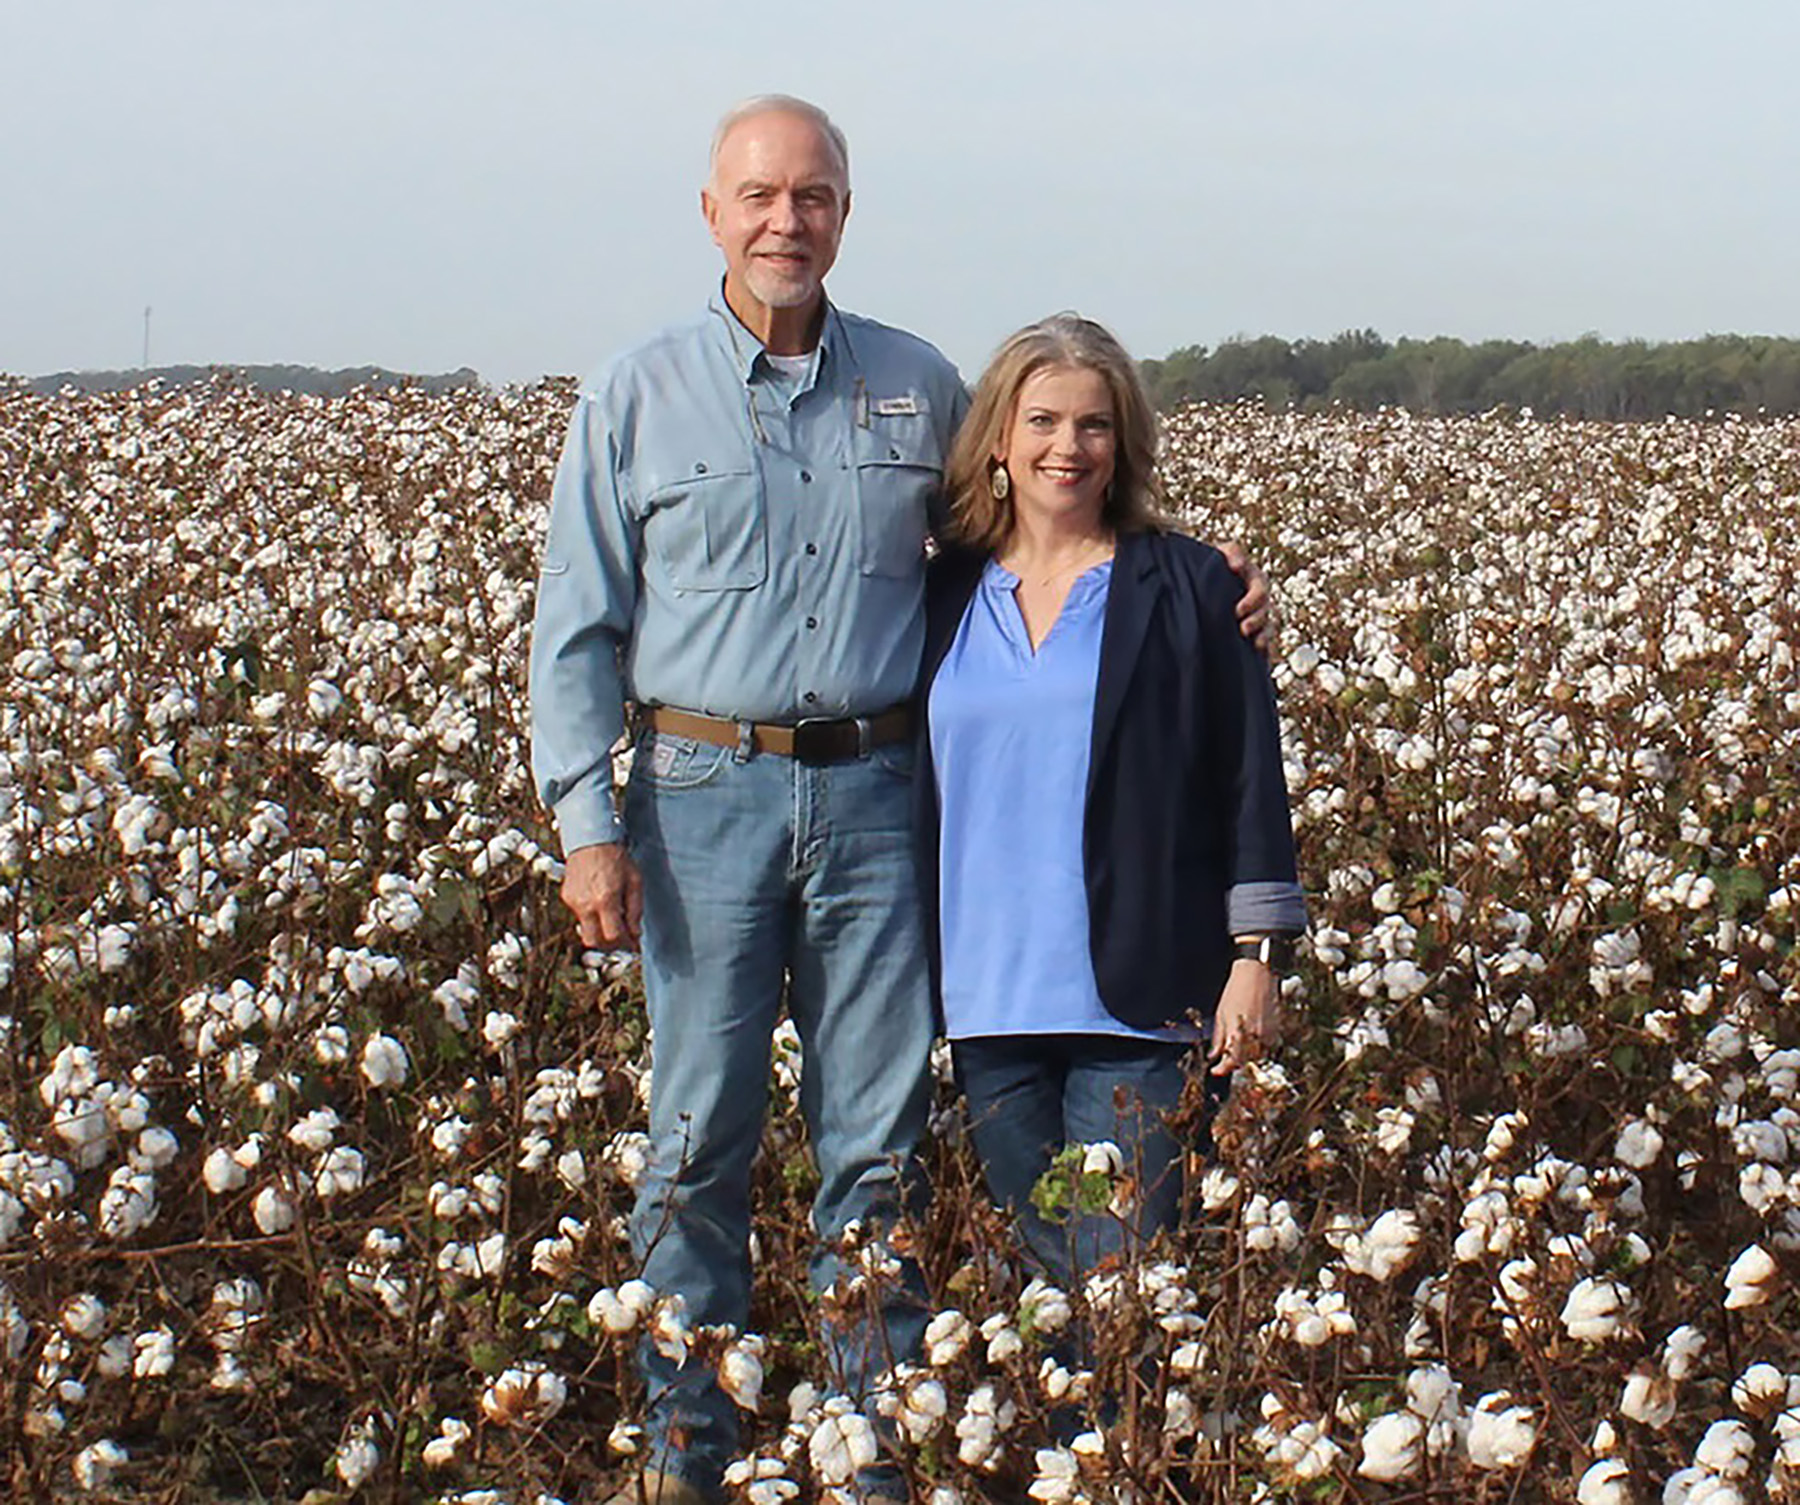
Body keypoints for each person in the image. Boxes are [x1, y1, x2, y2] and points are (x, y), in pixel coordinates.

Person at [530, 98, 1271, 1504]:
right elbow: (575, 631)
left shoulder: (921, 389)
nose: (784, 222)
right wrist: (587, 824)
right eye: (758, 196)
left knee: (871, 1145)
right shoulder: (634, 396)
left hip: (878, 798)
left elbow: (1045, 527)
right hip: (697, 799)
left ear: (846, 214)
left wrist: (1213, 581)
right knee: (697, 1142)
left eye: (812, 197)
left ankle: (870, 1450)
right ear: (710, 213)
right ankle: (690, 1452)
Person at [915, 314, 1306, 1293]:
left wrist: (1255, 960)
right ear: (998, 439)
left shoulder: (1192, 586)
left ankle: (1105, 1448)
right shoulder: (937, 593)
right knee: (1049, 1285)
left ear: (1123, 442)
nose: (1068, 446)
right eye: (1042, 420)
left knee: (1120, 1279)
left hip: (1139, 1009)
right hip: (985, 1003)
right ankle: (1079, 1448)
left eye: (1094, 424)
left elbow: (1249, 779)